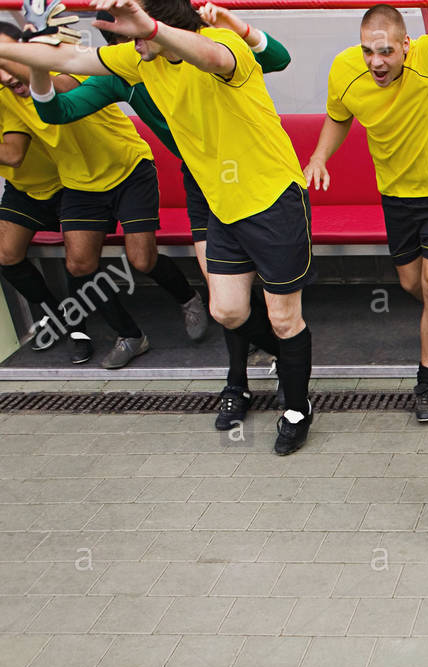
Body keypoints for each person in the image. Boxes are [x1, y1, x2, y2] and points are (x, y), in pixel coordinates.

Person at [1, 0, 319, 453]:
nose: (125, 43)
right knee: (227, 310)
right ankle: (289, 361)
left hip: (271, 200)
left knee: (284, 316)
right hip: (218, 199)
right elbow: (66, 61)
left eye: (135, 33)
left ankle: (298, 405)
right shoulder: (137, 59)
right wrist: (18, 53)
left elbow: (216, 58)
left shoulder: (223, 44)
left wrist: (150, 28)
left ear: (156, 26)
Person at [0, 24, 204, 370]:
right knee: (79, 264)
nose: (6, 74)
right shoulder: (8, 96)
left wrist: (18, 57)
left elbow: (60, 92)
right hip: (78, 182)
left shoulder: (63, 67)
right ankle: (130, 335)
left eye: (9, 56)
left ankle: (188, 298)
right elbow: (14, 151)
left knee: (142, 259)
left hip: (129, 170)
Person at [306, 3, 428, 424]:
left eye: (385, 52)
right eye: (368, 52)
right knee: (411, 282)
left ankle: (426, 385)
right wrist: (320, 156)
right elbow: (338, 116)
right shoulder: (345, 70)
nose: (376, 62)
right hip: (396, 196)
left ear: (406, 45)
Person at [0, 62, 90, 363]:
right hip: (24, 190)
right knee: (6, 255)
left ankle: (80, 328)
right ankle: (58, 313)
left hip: (69, 183)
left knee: (78, 259)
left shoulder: (12, 93)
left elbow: (13, 154)